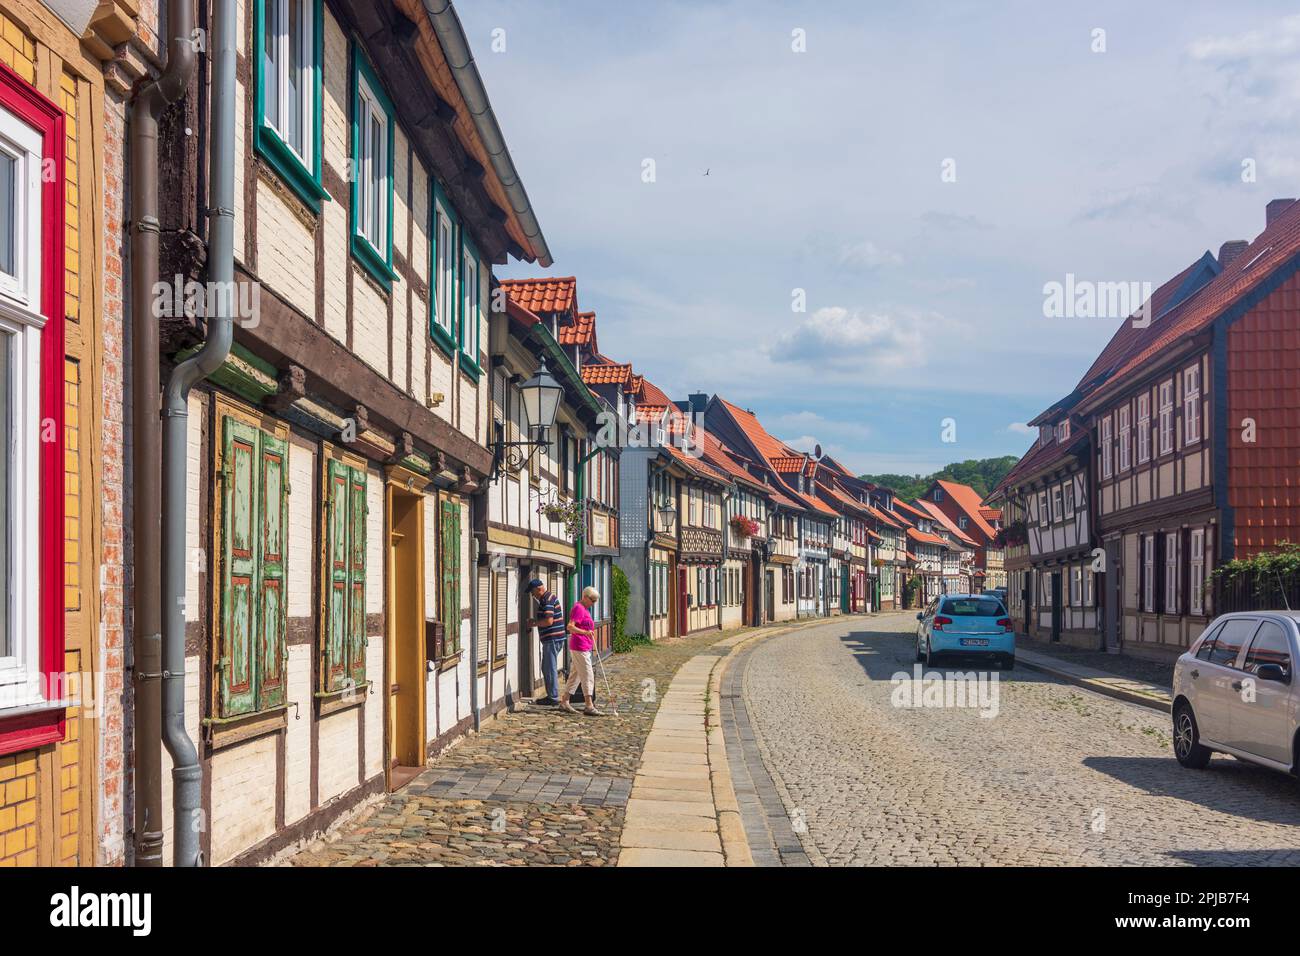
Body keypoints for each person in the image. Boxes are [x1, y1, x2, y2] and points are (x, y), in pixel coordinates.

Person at [559, 586, 604, 716]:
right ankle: (589, 705)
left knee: (576, 674)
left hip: (583, 645)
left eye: (595, 601)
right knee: (588, 674)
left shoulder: (584, 608)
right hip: (579, 646)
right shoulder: (579, 608)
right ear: (585, 597)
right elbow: (570, 627)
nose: (594, 603)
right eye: (593, 600)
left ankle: (564, 701)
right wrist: (585, 632)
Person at [526, 578, 566, 705]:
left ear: (539, 589)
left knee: (549, 668)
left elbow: (549, 621)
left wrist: (534, 623)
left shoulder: (546, 600)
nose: (533, 595)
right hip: (555, 638)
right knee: (547, 667)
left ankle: (553, 698)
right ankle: (551, 695)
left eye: (533, 592)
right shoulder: (549, 597)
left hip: (552, 638)